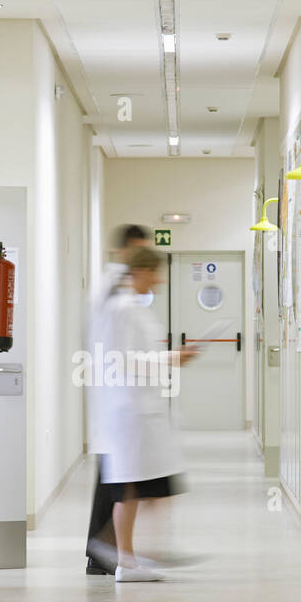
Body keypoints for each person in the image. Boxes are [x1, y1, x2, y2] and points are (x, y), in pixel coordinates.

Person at [98, 245, 198, 582]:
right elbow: (124, 361)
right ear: (140, 272)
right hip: (131, 411)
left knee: (143, 488)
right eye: (154, 273)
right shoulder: (122, 309)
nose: (159, 280)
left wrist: (170, 357)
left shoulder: (133, 308)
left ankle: (136, 556)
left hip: (142, 410)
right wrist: (170, 359)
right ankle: (127, 560)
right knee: (129, 488)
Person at [85, 224, 150, 575]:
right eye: (138, 252)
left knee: (115, 478)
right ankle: (102, 553)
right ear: (124, 251)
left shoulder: (119, 287)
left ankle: (106, 553)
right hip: (114, 397)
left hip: (117, 399)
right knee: (114, 481)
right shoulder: (111, 290)